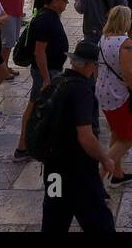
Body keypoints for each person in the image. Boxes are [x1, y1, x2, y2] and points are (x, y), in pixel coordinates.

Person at [37, 40, 116, 232]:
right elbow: (85, 136)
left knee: (54, 217)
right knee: (99, 220)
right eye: (95, 65)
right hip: (78, 172)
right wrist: (105, 159)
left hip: (53, 168)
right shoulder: (81, 91)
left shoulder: (58, 82)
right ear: (89, 65)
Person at [14, 0, 70, 161]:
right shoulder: (46, 20)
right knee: (35, 108)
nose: (66, 2)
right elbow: (39, 52)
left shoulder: (48, 16)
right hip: (46, 73)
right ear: (54, 1)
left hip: (50, 71)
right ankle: (23, 147)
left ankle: (35, 144)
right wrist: (46, 78)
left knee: (41, 108)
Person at [96, 6, 132, 187]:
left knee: (117, 132)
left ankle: (117, 174)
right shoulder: (124, 43)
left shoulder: (104, 38)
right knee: (128, 137)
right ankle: (96, 180)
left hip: (105, 92)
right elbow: (128, 74)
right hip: (120, 95)